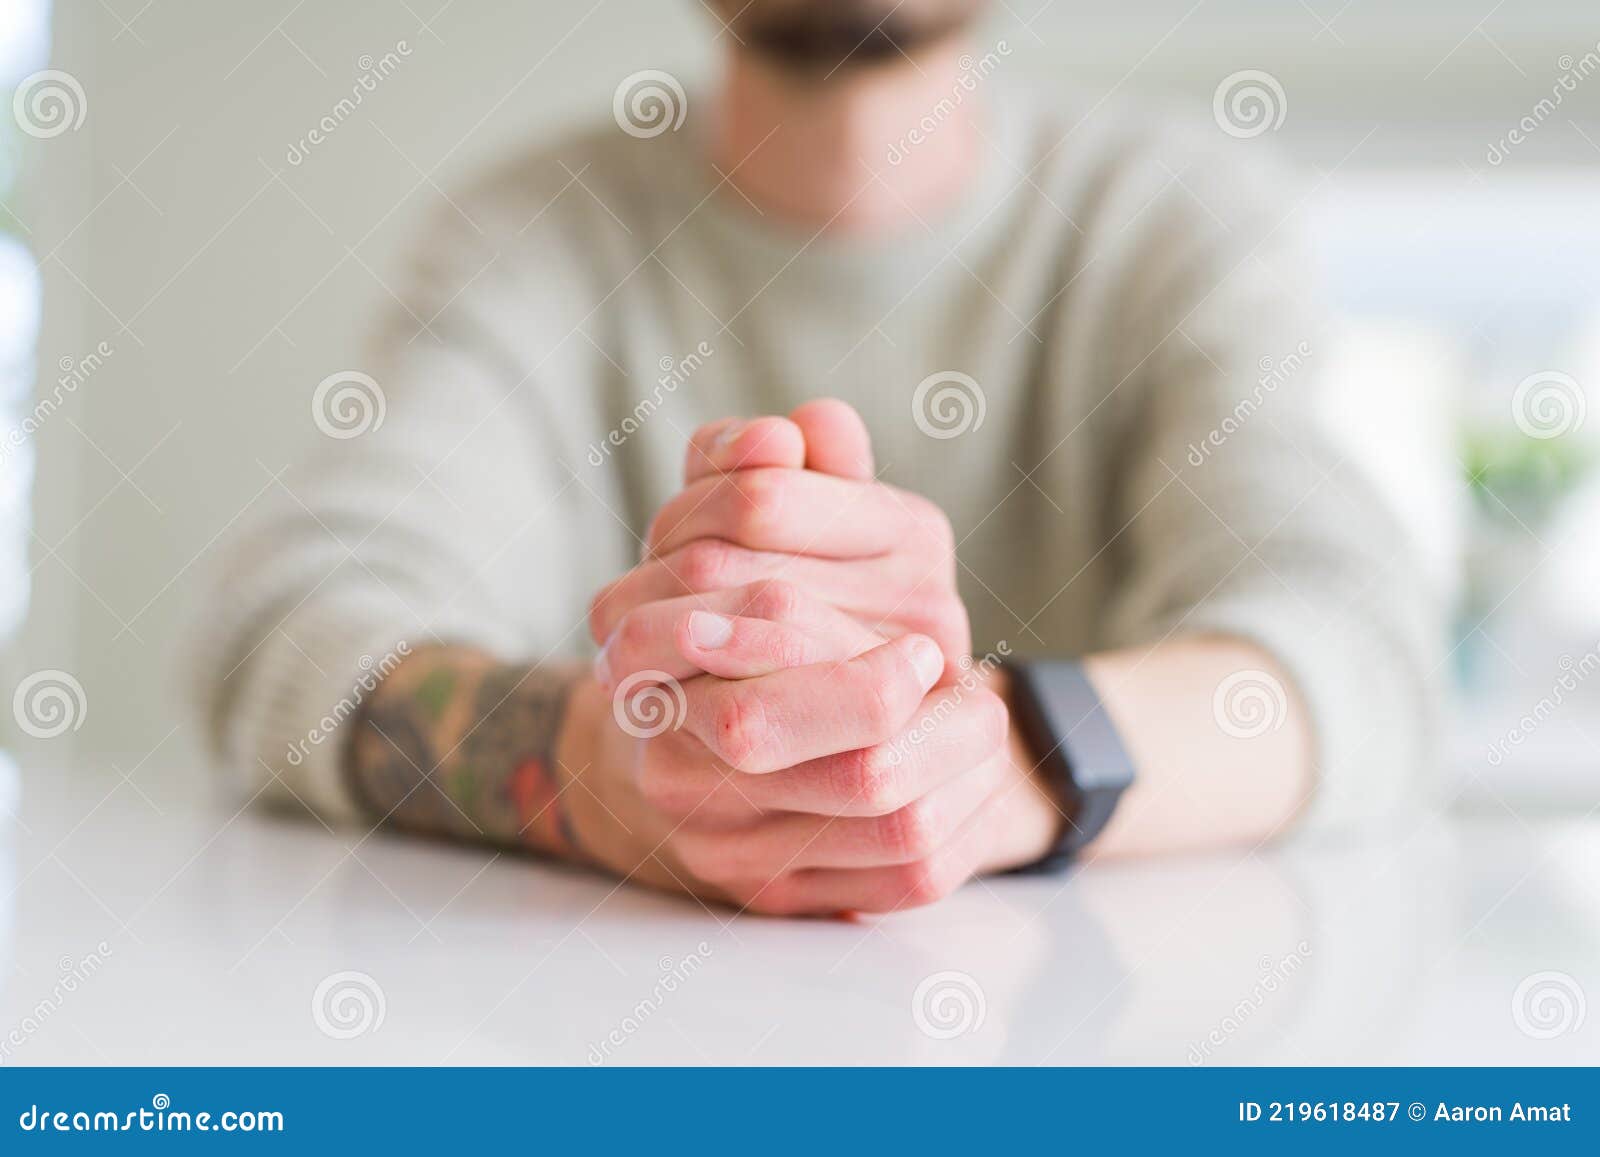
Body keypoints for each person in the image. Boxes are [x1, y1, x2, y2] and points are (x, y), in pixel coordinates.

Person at [193, 0, 1441, 915]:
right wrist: (604, 766)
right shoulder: (531, 235)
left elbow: (1359, 639)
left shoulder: (1171, 214)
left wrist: (997, 759)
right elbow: (284, 629)